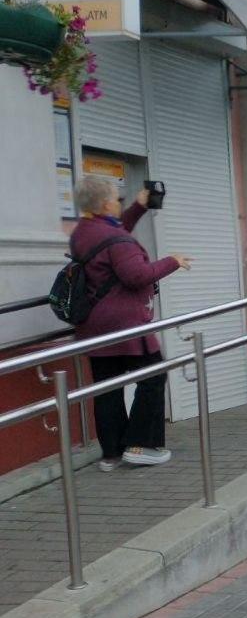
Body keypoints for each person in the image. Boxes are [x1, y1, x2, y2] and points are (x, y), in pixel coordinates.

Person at [69, 177, 190, 470]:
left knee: (108, 386)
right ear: (104, 204)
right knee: (153, 377)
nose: (119, 202)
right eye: (116, 198)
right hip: (127, 326)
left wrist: (138, 207)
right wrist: (171, 261)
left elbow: (113, 232)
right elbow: (136, 275)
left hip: (96, 326)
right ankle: (140, 445)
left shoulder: (83, 232)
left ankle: (112, 454)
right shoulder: (118, 240)